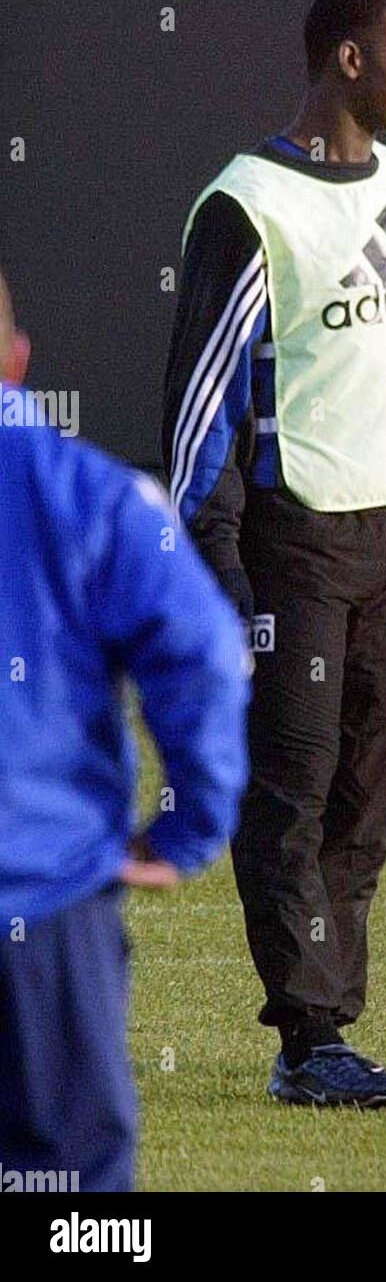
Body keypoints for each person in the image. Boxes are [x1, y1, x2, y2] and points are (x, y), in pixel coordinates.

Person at [162, 0, 386, 1109]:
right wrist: (216, 564)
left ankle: (332, 1027)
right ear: (350, 61)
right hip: (297, 544)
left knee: (364, 797)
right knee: (293, 791)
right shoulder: (246, 205)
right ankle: (308, 1036)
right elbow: (202, 409)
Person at [0, 269, 249, 1189]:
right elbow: (208, 654)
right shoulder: (90, 493)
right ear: (19, 361)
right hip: (46, 902)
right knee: (77, 1198)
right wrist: (189, 828)